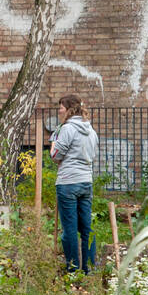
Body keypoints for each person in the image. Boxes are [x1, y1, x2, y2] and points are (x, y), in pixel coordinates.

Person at [51, 94, 99, 273]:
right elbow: (93, 156)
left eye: (61, 107)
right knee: (87, 227)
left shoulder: (68, 129)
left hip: (68, 182)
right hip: (86, 181)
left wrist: (53, 146)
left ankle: (72, 269)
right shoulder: (91, 131)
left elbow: (56, 156)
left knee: (69, 229)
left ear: (69, 109)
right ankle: (89, 268)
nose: (59, 111)